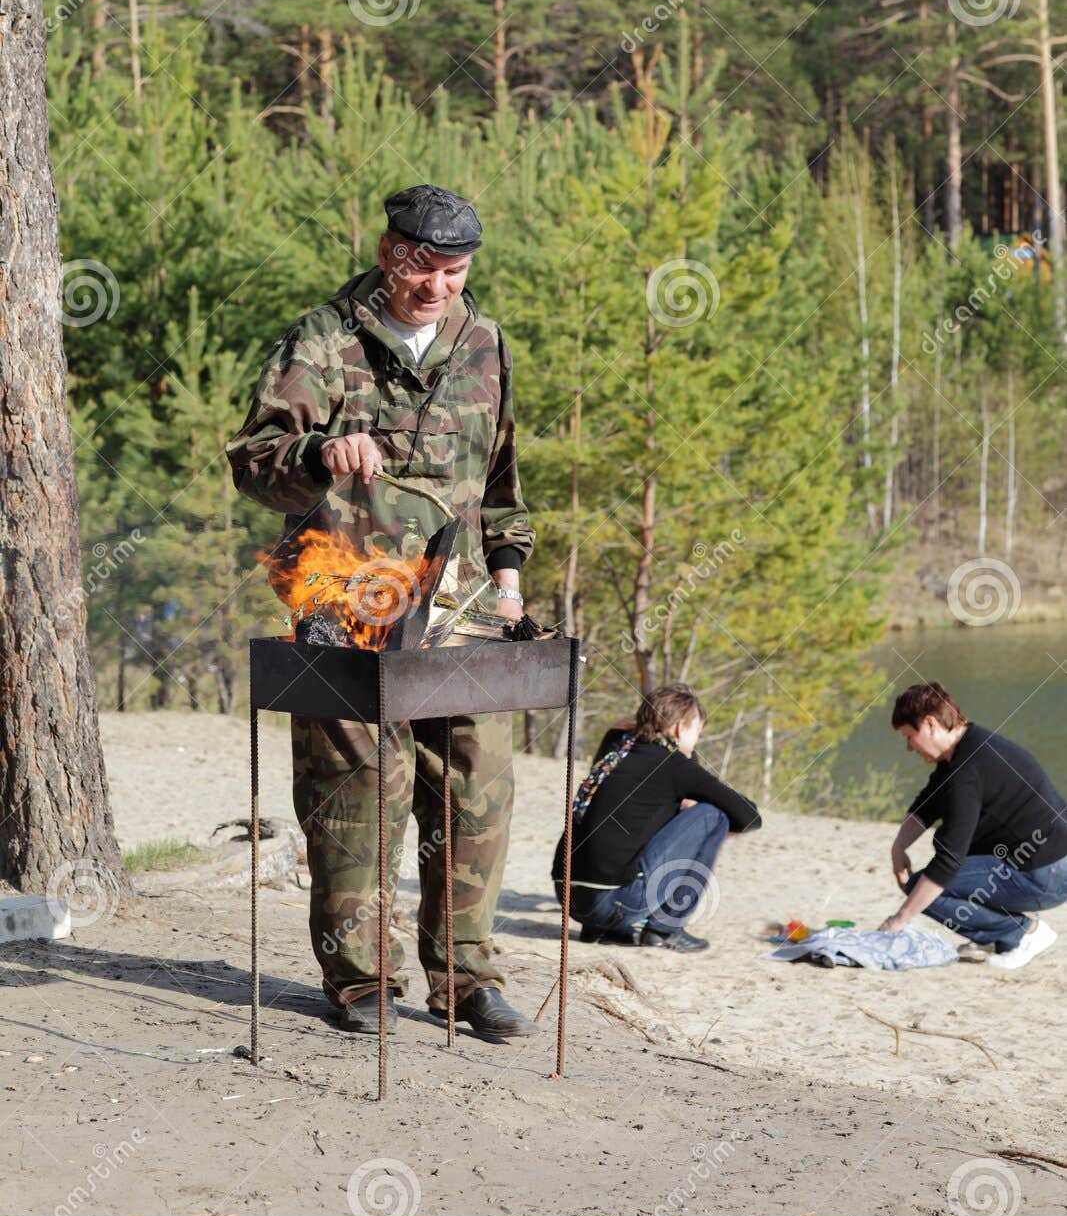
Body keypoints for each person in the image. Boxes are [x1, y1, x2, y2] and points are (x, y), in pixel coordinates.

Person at [227, 183, 540, 1039]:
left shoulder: (483, 342)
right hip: (347, 603)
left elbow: (501, 485)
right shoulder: (321, 339)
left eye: (455, 271)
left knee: (476, 790)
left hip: (460, 609)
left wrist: (509, 579)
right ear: (387, 252)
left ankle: (466, 979)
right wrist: (320, 451)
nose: (437, 286)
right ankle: (361, 981)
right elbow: (253, 463)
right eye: (422, 267)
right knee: (358, 794)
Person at [551, 683, 761, 951]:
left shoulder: (617, 751)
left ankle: (603, 930)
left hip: (568, 899)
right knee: (713, 816)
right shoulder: (674, 765)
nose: (697, 740)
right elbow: (749, 816)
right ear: (680, 728)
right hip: (613, 906)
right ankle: (665, 929)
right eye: (697, 732)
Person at [880, 681, 1067, 970]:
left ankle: (1023, 934)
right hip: (1050, 864)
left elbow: (948, 862)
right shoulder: (968, 746)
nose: (908, 748)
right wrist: (898, 847)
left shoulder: (965, 772)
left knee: (922, 886)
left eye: (909, 736)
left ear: (930, 724)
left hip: (1047, 874)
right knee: (947, 849)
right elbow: (928, 803)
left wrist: (899, 920)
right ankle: (994, 936)